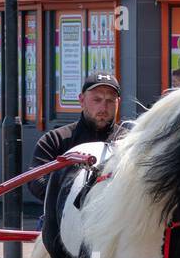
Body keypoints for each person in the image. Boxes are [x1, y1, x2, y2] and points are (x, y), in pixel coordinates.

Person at [28, 72, 127, 227]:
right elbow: (35, 180)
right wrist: (73, 194)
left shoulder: (129, 141)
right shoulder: (56, 139)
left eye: (110, 100)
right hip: (62, 224)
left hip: (115, 225)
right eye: (97, 99)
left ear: (118, 103)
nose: (103, 107)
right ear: (82, 100)